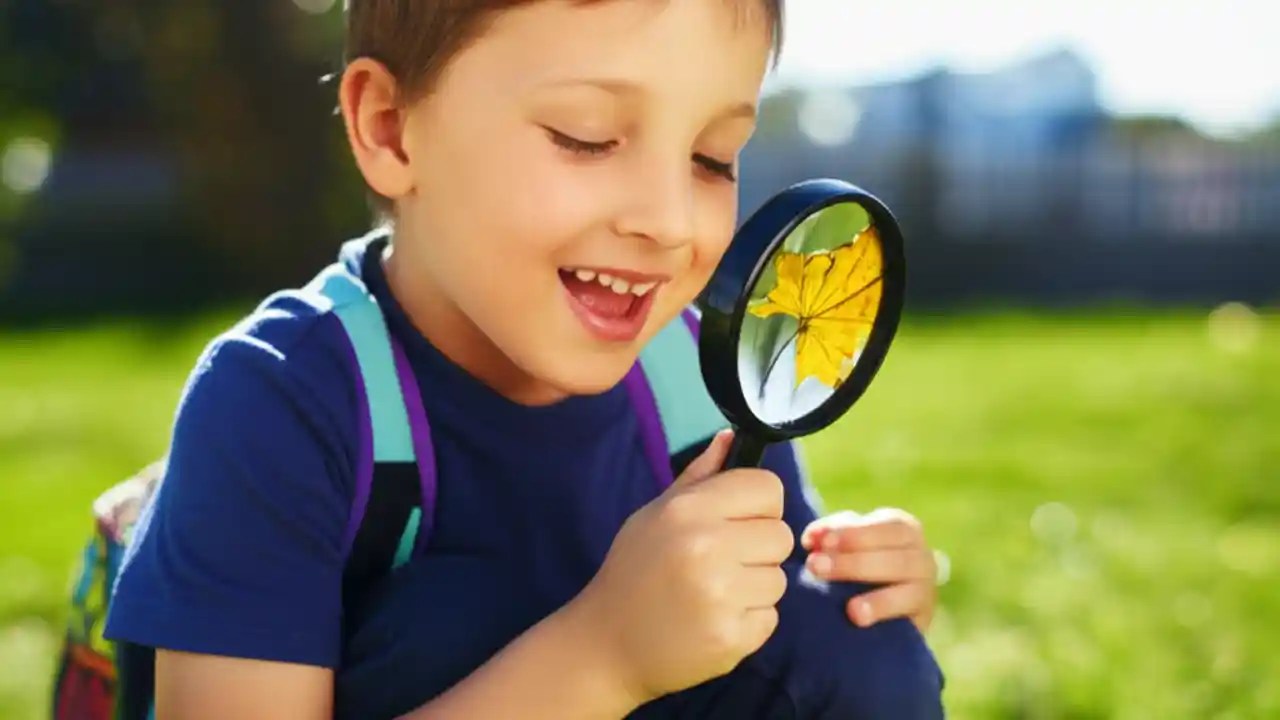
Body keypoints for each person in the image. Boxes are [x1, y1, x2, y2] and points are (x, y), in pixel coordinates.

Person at [104, 1, 945, 718]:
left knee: (845, 644)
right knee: (458, 619)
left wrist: (869, 600)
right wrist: (602, 659)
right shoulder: (283, 398)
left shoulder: (701, 381)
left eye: (711, 158)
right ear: (392, 131)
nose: (669, 220)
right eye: (586, 137)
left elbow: (778, 645)